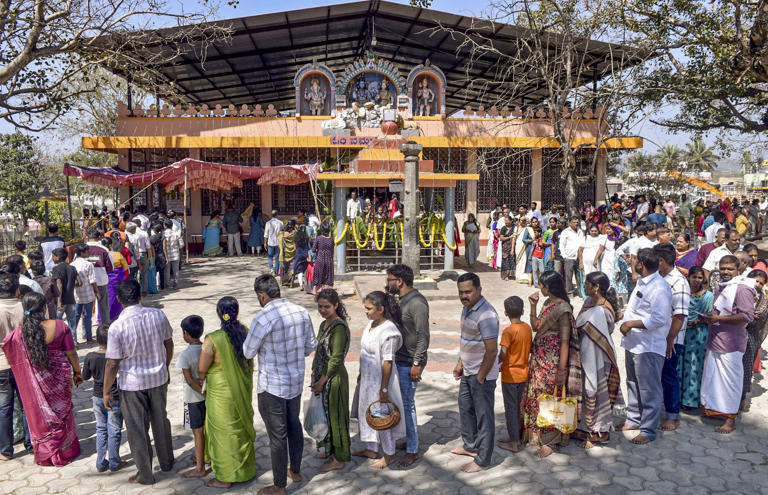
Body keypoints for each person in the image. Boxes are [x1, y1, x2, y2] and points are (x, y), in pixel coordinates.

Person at [243, 274, 316, 495]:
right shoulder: (301, 312)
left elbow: (248, 351)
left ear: (262, 296)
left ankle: (279, 486)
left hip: (272, 386)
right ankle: (295, 470)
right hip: (294, 382)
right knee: (293, 427)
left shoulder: (263, 318)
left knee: (277, 436)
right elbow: (309, 346)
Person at [103, 279, 174, 484]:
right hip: (158, 378)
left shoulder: (117, 327)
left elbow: (113, 363)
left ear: (118, 299)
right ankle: (167, 462)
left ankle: (145, 474)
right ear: (140, 295)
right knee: (161, 421)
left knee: (137, 430)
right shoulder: (158, 315)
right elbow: (168, 344)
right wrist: (165, 366)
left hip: (132, 384)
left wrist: (107, 391)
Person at [4, 292, 81, 465]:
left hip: (36, 383)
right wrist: (77, 373)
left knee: (43, 415)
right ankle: (65, 450)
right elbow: (72, 353)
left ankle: (47, 453)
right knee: (63, 413)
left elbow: (8, 348)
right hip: (60, 380)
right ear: (45, 308)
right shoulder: (60, 326)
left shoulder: (20, 334)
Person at [197, 298, 257, 487]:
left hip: (220, 395)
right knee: (239, 429)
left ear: (219, 313)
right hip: (241, 390)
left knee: (223, 432)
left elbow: (201, 370)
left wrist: (200, 382)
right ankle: (245, 469)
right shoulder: (246, 333)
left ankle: (225, 478)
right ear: (236, 312)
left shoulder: (212, 339)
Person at [522, 271, 581, 457]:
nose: (540, 288)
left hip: (553, 361)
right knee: (538, 395)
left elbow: (565, 341)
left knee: (551, 397)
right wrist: (533, 306)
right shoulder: (547, 303)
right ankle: (536, 434)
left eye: (542, 285)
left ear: (549, 287)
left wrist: (561, 370)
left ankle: (552, 441)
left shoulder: (563, 309)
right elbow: (536, 327)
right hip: (539, 359)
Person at [618, 248, 672, 444]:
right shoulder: (642, 281)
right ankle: (633, 418)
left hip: (648, 346)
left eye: (635, 261)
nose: (633, 264)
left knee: (649, 388)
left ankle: (648, 429)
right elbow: (637, 308)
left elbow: (659, 318)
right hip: (633, 343)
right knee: (632, 382)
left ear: (641, 264)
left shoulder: (659, 288)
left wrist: (631, 324)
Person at [699, 256, 755, 434]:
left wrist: (718, 319)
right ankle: (716, 411)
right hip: (715, 339)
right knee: (714, 379)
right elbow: (718, 310)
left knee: (731, 382)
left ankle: (730, 420)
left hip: (732, 343)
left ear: (738, 269)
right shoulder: (722, 287)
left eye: (730, 269)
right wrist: (708, 317)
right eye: (723, 268)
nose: (725, 272)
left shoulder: (742, 289)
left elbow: (747, 316)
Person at [351, 290, 406, 469]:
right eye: (365, 308)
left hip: (381, 381)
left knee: (382, 416)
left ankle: (389, 454)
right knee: (367, 414)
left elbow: (387, 362)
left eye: (369, 308)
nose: (366, 312)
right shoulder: (371, 325)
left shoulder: (389, 332)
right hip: (367, 379)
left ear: (381, 309)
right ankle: (371, 448)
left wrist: (383, 389)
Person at [451, 273, 498, 471]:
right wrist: (460, 363)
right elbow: (466, 337)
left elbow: (492, 350)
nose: (464, 295)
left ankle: (483, 460)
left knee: (484, 416)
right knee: (465, 408)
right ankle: (471, 446)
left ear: (479, 289)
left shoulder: (487, 314)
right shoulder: (467, 308)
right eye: (461, 292)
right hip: (468, 371)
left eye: (468, 291)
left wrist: (480, 375)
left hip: (482, 376)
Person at [385, 264, 429, 467]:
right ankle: (409, 439)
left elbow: (423, 335)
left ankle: (413, 449)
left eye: (390, 280)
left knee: (408, 404)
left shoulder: (417, 303)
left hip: (410, 361)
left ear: (400, 281)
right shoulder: (402, 300)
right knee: (401, 402)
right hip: (400, 359)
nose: (388, 283)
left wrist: (417, 363)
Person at [574, 272, 621, 448]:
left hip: (599, 354)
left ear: (596, 288)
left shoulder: (604, 308)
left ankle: (600, 433)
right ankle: (585, 429)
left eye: (587, 284)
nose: (584, 286)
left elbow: (605, 329)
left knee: (596, 390)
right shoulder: (587, 302)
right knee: (585, 389)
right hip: (585, 352)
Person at [310, 289, 351, 472]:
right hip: (322, 377)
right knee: (324, 416)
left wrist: (322, 380)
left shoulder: (339, 328)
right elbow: (319, 352)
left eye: (327, 307)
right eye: (320, 307)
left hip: (333, 379)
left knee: (335, 417)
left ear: (336, 305)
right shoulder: (323, 325)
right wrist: (314, 375)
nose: (323, 310)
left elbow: (336, 359)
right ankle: (328, 449)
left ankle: (338, 458)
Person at [655, 243, 690, 432]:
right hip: (657, 337)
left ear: (661, 260)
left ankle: (673, 416)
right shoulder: (659, 277)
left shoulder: (678, 282)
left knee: (669, 375)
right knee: (658, 375)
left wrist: (670, 339)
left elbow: (680, 315)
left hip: (672, 339)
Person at [82, 326, 126, 472]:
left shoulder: (90, 356)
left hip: (97, 397)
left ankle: (100, 463)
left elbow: (85, 376)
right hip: (113, 396)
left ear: (97, 339)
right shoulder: (114, 357)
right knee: (114, 429)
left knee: (101, 428)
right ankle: (114, 461)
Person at [0, 272, 32, 460]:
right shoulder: (24, 308)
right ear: (16, 289)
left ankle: (5, 450)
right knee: (27, 404)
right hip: (22, 363)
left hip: (2, 365)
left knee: (4, 408)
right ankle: (31, 444)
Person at [175, 315, 209, 480]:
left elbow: (189, 380)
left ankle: (200, 467)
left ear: (186, 334)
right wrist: (205, 392)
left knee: (197, 431)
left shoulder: (185, 355)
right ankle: (205, 457)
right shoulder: (206, 350)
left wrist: (200, 391)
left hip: (193, 399)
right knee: (207, 429)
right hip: (209, 397)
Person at [497, 296, 531, 453]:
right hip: (524, 373)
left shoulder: (508, 331)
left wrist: (496, 362)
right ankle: (515, 436)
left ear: (505, 312)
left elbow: (503, 353)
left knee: (510, 408)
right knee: (518, 407)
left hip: (510, 375)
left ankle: (514, 442)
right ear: (523, 311)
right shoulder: (527, 328)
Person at [679, 266, 714, 409]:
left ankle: (691, 400)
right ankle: (678, 397)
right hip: (682, 332)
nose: (697, 280)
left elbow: (710, 315)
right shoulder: (683, 293)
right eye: (694, 277)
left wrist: (698, 321)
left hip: (699, 334)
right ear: (688, 277)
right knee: (680, 364)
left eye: (700, 278)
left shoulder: (708, 296)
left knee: (694, 365)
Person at [742, 269, 768, 408]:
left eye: (761, 283)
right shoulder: (740, 293)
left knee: (746, 367)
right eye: (755, 281)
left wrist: (748, 316)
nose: (757, 285)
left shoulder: (764, 300)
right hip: (734, 335)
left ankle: (741, 399)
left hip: (751, 337)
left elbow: (761, 317)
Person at [71, 244, 100, 344]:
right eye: (87, 251)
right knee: (87, 317)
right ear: (82, 253)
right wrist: (97, 292)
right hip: (87, 294)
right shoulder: (88, 264)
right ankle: (88, 338)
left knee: (76, 316)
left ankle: (73, 339)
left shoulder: (72, 264)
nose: (89, 253)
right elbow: (92, 280)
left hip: (76, 295)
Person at [51, 248, 79, 342]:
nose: (52, 258)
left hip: (61, 301)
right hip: (71, 299)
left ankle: (61, 342)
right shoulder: (72, 267)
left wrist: (59, 302)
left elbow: (59, 285)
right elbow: (80, 283)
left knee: (58, 322)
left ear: (58, 257)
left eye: (53, 256)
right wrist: (70, 285)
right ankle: (74, 342)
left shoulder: (56, 269)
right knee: (72, 322)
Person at [101, 237, 128, 322]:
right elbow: (125, 266)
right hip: (117, 277)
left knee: (107, 297)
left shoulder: (101, 254)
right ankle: (116, 315)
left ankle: (104, 317)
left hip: (105, 278)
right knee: (117, 295)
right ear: (110, 245)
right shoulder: (117, 254)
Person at [560, 217, 584, 297]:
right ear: (570, 223)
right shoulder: (565, 232)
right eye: (574, 222)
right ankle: (570, 293)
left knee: (579, 276)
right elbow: (562, 245)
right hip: (569, 257)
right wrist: (564, 256)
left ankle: (581, 292)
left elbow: (582, 244)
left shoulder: (580, 231)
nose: (576, 224)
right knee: (568, 276)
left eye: (577, 222)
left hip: (579, 257)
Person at [311, 223, 335, 295]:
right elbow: (332, 250)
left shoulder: (318, 238)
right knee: (328, 275)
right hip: (329, 260)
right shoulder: (331, 239)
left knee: (318, 274)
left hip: (320, 259)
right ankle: (328, 292)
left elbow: (313, 249)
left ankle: (317, 290)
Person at [163, 220, 184, 289]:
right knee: (175, 270)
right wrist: (177, 247)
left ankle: (167, 285)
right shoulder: (176, 234)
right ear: (172, 226)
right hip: (175, 254)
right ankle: (175, 284)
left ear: (165, 226)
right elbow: (181, 244)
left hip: (166, 254)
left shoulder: (164, 234)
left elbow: (163, 246)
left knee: (167, 270)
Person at [514, 218, 534, 285]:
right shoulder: (516, 228)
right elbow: (515, 239)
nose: (523, 222)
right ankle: (518, 276)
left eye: (525, 221)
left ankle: (524, 278)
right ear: (519, 221)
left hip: (525, 247)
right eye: (522, 220)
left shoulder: (528, 229)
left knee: (524, 262)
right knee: (519, 262)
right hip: (518, 247)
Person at [264, 210, 284, 276]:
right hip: (278, 243)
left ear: (271, 215)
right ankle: (276, 272)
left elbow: (266, 234)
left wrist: (265, 243)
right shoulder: (280, 223)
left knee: (270, 257)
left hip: (270, 242)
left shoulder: (268, 223)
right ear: (277, 215)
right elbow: (283, 232)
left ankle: (271, 268)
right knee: (277, 258)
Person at [278, 220, 297, 285]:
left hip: (284, 253)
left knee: (285, 268)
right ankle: (291, 282)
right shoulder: (294, 233)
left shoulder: (282, 234)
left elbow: (279, 244)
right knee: (292, 267)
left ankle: (284, 281)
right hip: (293, 252)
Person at [292, 225, 310, 290]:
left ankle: (301, 285)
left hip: (298, 255)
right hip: (306, 254)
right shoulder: (306, 237)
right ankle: (307, 284)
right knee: (305, 269)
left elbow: (294, 247)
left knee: (299, 270)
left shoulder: (296, 237)